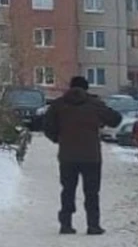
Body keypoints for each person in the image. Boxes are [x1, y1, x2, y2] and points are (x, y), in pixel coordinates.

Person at [43, 76, 123, 235]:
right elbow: (116, 119)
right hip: (91, 156)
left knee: (67, 190)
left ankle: (66, 224)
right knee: (92, 192)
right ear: (86, 88)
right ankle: (93, 225)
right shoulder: (95, 104)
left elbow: (47, 127)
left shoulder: (58, 105)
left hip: (67, 155)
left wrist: (59, 139)